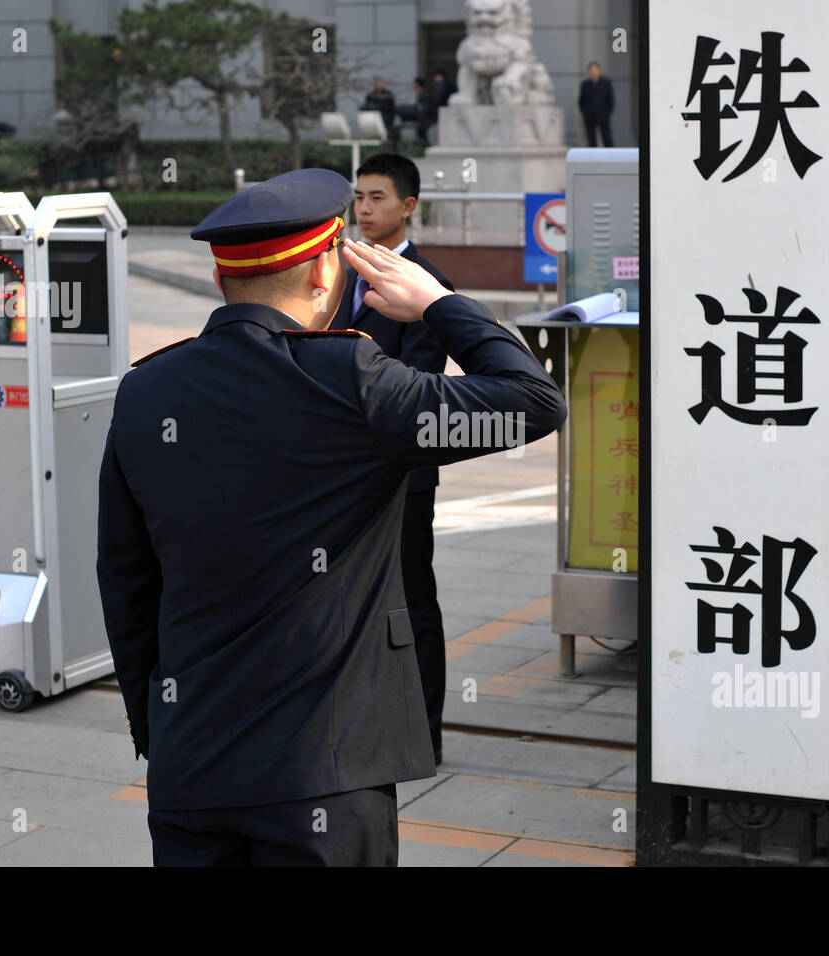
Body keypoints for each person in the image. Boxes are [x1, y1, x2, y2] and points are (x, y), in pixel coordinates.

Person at [96, 168, 567, 866]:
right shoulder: (355, 379)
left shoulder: (144, 390)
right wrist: (440, 303)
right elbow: (535, 400)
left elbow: (125, 579)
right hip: (325, 773)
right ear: (325, 274)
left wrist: (157, 723)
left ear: (224, 278)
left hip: (190, 762)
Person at [335, 152, 452, 765]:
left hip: (400, 474)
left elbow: (421, 382)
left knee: (412, 600)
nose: (365, 208)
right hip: (339, 471)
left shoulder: (428, 287)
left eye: (377, 197)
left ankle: (423, 734)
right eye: (359, 197)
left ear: (408, 206)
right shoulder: (337, 274)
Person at [578, 61, 615, 147]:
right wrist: (585, 113)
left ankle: (611, 157)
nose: (593, 72)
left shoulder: (606, 83)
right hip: (589, 116)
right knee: (591, 139)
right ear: (589, 72)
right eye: (591, 71)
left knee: (607, 138)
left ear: (599, 71)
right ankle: (592, 158)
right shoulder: (585, 84)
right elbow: (581, 101)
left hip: (603, 115)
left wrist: (607, 113)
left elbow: (610, 100)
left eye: (595, 70)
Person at [362, 77, 398, 146]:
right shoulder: (371, 95)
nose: (380, 85)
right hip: (372, 121)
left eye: (381, 83)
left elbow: (391, 108)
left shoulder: (388, 95)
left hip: (386, 119)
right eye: (378, 83)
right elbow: (367, 106)